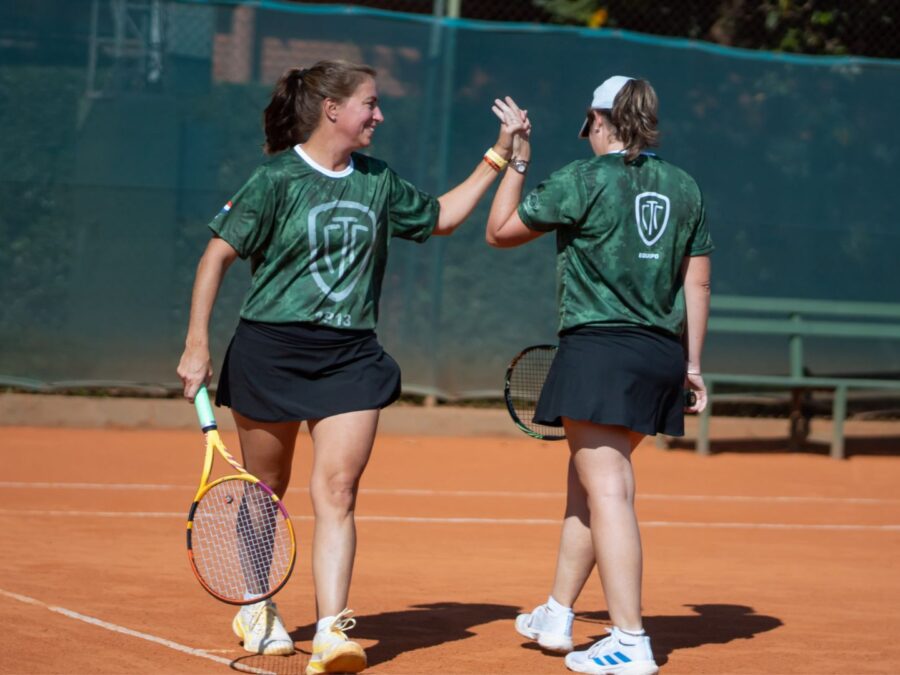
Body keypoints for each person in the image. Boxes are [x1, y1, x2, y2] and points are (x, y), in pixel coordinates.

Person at [177, 60, 528, 674]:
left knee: (338, 490)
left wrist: (497, 157)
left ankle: (334, 630)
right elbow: (216, 255)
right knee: (266, 493)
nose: (379, 114)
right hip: (270, 351)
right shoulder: (276, 179)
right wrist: (196, 346)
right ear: (331, 110)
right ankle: (258, 606)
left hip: (349, 355)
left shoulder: (377, 179)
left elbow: (441, 219)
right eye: (370, 103)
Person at [486, 77, 713, 675]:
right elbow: (699, 282)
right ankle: (558, 613)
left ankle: (631, 640)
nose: (585, 133)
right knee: (588, 486)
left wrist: (517, 157)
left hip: (599, 352)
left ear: (599, 119)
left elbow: (499, 230)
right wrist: (691, 365)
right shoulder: (684, 186)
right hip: (660, 356)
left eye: (588, 123)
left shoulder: (581, 180)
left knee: (608, 489)